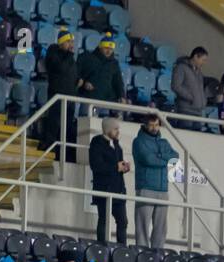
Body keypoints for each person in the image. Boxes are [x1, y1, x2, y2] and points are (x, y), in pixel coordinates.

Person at [132, 114, 176, 249]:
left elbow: (175, 157)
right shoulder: (138, 141)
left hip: (163, 189)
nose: (154, 128)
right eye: (151, 125)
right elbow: (148, 159)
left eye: (156, 125)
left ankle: (157, 255)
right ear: (145, 125)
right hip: (146, 188)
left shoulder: (164, 142)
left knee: (161, 228)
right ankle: (142, 253)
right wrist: (164, 159)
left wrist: (159, 156)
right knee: (142, 226)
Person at [88, 116, 130, 246]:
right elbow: (96, 166)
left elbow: (117, 165)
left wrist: (123, 168)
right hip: (104, 189)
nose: (118, 131)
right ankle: (101, 248)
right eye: (115, 129)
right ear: (107, 130)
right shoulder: (96, 143)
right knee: (104, 220)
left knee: (123, 221)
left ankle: (121, 249)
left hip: (118, 190)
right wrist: (116, 167)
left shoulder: (117, 144)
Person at [41, 33, 78, 160]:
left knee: (67, 128)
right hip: (57, 95)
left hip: (70, 98)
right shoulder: (53, 53)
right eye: (68, 42)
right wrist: (69, 55)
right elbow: (60, 68)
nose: (71, 45)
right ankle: (49, 149)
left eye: (72, 42)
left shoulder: (70, 57)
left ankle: (63, 153)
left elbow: (71, 74)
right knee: (54, 124)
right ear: (61, 42)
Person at [170, 46, 208, 125]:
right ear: (195, 57)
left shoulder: (199, 73)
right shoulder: (181, 68)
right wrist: (190, 97)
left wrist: (203, 101)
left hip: (198, 112)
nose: (204, 63)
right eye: (203, 60)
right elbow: (175, 86)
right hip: (185, 111)